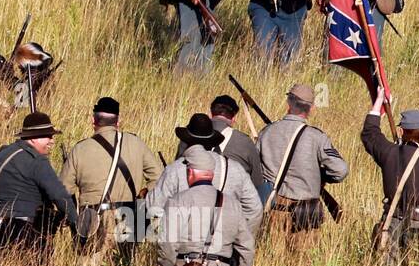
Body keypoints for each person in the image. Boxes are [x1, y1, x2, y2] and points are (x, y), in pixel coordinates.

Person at [156, 148, 256, 266]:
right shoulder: (233, 203)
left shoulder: (178, 201)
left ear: (191, 172)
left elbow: (167, 243)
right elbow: (247, 246)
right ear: (210, 174)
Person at [60, 96, 161, 266]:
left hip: (93, 218)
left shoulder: (80, 149)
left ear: (93, 121)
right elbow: (159, 179)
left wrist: (71, 221)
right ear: (118, 121)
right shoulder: (136, 143)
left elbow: (64, 191)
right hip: (131, 215)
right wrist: (144, 200)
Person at [255, 84, 349, 250]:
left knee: (272, 262)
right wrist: (320, 177)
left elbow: (255, 168)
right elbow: (340, 171)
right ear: (311, 108)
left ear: (288, 104)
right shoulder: (317, 137)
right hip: (305, 212)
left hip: (273, 208)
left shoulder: (266, 132)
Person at [362, 96, 419, 266]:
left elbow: (370, 134)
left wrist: (379, 101)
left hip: (393, 220)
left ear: (402, 131)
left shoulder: (390, 153)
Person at [146, 113, 263, 241]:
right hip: (223, 249)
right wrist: (239, 239)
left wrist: (165, 241)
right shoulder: (234, 169)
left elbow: (154, 206)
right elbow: (255, 209)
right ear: (212, 141)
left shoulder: (174, 170)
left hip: (183, 250)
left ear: (187, 140)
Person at [0, 112, 77, 263]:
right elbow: (60, 196)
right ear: (33, 138)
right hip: (22, 233)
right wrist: (75, 222)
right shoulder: (37, 161)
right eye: (48, 136)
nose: (52, 141)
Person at [189, 94, 261, 185]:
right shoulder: (245, 142)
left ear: (210, 114)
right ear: (234, 119)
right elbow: (257, 182)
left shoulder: (190, 136)